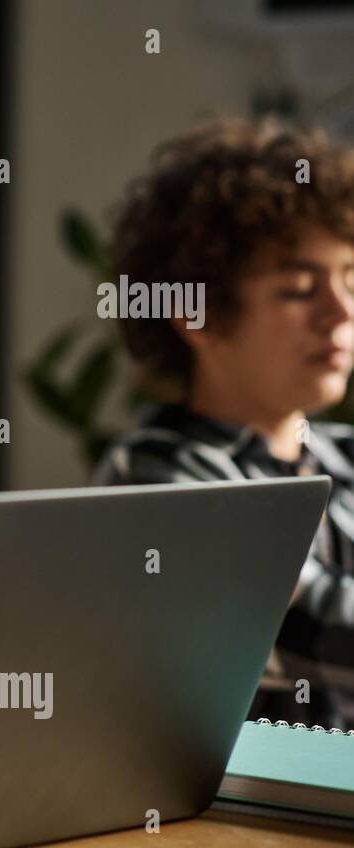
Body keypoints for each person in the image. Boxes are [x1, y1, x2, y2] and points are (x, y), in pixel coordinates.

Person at [92, 115, 354, 731]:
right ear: (196, 316)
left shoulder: (344, 456)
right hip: (245, 815)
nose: (340, 312)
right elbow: (309, 628)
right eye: (298, 288)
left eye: (350, 279)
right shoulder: (158, 475)